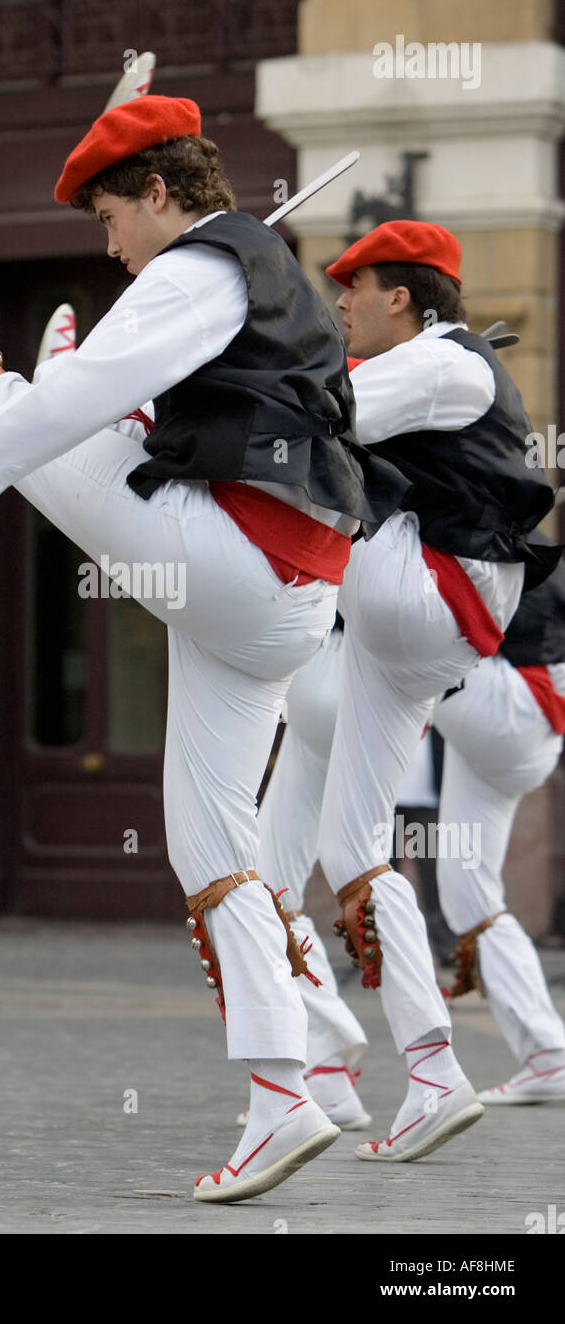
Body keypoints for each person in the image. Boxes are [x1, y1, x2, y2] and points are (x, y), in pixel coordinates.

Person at [0, 98, 405, 1203]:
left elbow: (47, 419)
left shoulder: (198, 273)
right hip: (282, 593)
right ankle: (279, 1096)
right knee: (211, 843)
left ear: (159, 193)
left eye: (111, 215)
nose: (106, 241)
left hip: (235, 566)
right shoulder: (261, 281)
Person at [306, 220, 558, 1162]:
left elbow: (326, 407)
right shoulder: (440, 369)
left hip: (433, 596)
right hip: (430, 623)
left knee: (293, 519)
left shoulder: (447, 363)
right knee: (350, 845)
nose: (339, 301)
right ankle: (431, 1071)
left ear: (402, 296)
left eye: (353, 286)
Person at [434, 556, 565, 1105]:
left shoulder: (491, 531)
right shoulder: (507, 528)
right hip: (523, 722)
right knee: (467, 891)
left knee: (385, 645)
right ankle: (547, 1053)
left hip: (513, 706)